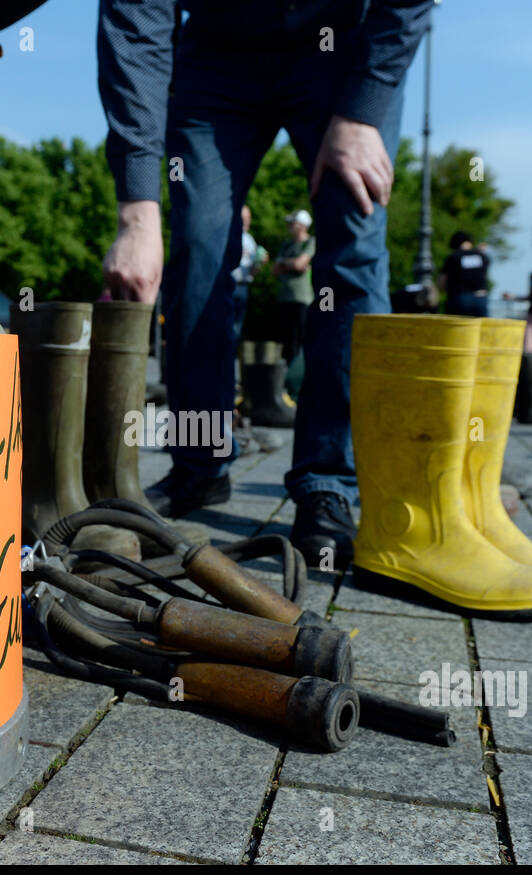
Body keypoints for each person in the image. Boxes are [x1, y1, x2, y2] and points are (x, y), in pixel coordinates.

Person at [98, 0, 434, 565]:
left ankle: (328, 482)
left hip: (340, 47)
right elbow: (136, 25)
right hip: (214, 57)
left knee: (353, 250)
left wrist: (364, 110)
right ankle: (199, 462)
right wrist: (136, 208)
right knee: (199, 249)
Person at [271, 210, 315, 362]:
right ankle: (288, 377)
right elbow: (275, 270)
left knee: (300, 338)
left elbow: (299, 264)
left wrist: (285, 263)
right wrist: (292, 264)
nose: (289, 225)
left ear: (303, 226)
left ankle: (299, 374)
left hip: (302, 297)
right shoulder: (287, 244)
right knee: (286, 340)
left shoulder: (310, 242)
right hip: (284, 297)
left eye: (293, 222)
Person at [230, 204, 266, 342]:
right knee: (226, 324)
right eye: (244, 217)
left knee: (237, 328)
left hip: (243, 286)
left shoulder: (250, 239)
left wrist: (259, 263)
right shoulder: (230, 235)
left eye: (248, 217)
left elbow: (253, 270)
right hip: (230, 284)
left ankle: (231, 360)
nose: (246, 221)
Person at [438, 230, 489, 317]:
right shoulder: (482, 256)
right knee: (479, 328)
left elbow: (442, 283)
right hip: (481, 298)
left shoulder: (453, 257)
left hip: (459, 298)